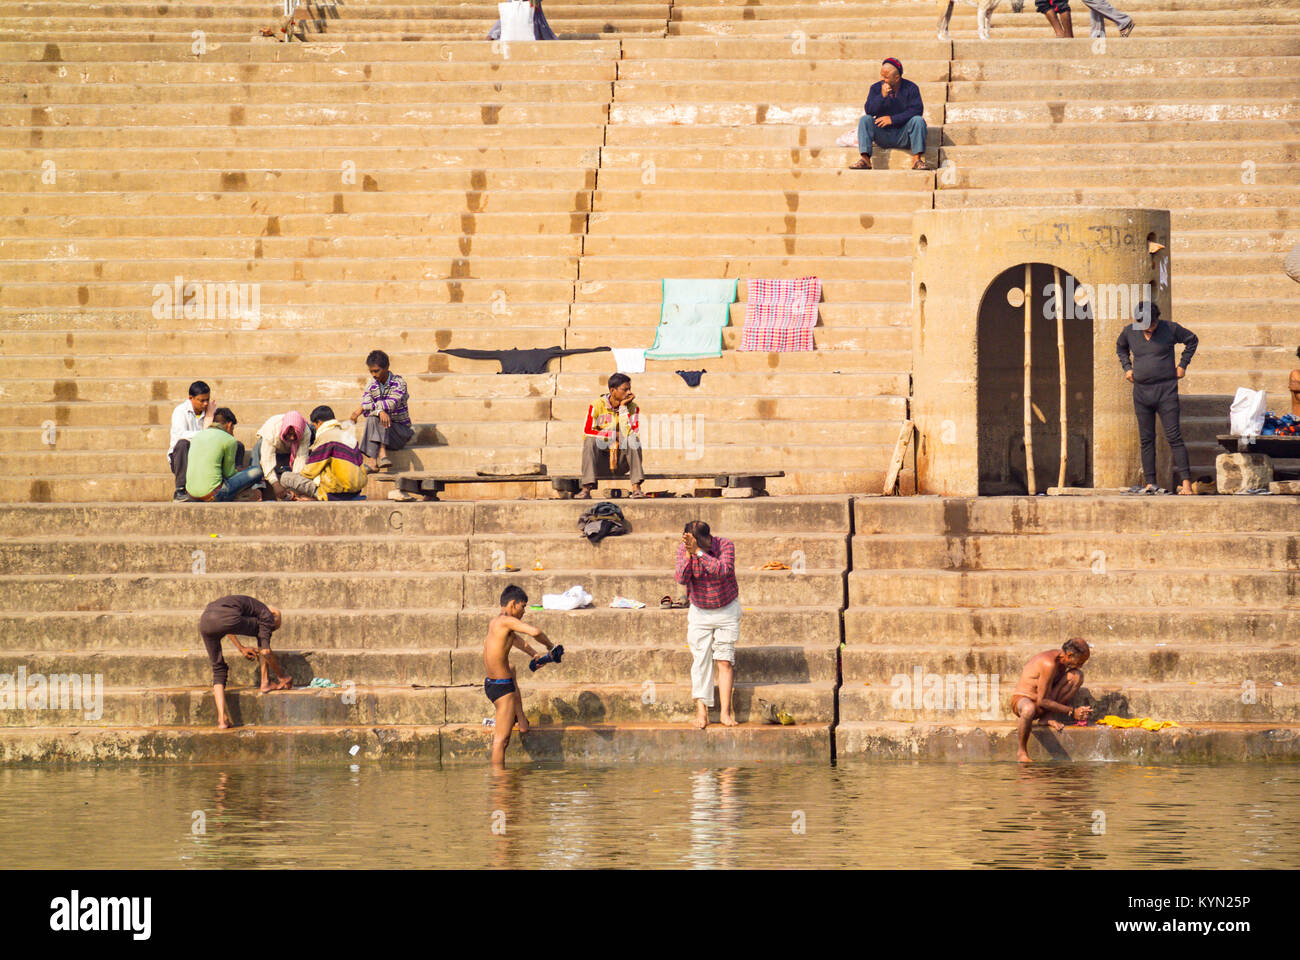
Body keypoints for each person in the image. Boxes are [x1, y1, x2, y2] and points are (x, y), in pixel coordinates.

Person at [1116, 300, 1198, 495]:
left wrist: (1183, 365)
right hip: (1141, 392)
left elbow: (1192, 340)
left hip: (1166, 391)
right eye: (1144, 326)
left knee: (1174, 436)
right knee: (1146, 439)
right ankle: (1150, 482)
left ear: (1156, 320)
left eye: (1151, 326)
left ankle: (1186, 484)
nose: (1148, 330)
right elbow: (1121, 348)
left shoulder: (1170, 328)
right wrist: (1127, 368)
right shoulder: (1130, 331)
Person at [674, 520, 740, 729]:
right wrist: (689, 554)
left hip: (726, 609)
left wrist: (700, 554)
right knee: (700, 661)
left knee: (724, 661)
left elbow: (723, 570)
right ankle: (701, 713)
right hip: (700, 611)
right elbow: (681, 578)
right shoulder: (683, 550)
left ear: (705, 539)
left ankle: (724, 713)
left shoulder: (725, 545)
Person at [483, 584, 556, 768]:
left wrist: (534, 655)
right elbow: (535, 632)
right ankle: (501, 788)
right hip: (502, 689)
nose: (524, 611)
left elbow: (517, 641)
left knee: (512, 667)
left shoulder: (496, 623)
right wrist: (549, 646)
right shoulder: (507, 621)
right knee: (502, 741)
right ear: (513, 604)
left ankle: (521, 720)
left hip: (492, 684)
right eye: (523, 606)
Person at [198, 594, 293, 729]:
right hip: (224, 619)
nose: (270, 630)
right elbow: (265, 651)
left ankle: (222, 719)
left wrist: (241, 648)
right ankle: (265, 682)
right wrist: (282, 676)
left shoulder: (243, 605)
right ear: (274, 615)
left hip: (205, 622)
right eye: (272, 627)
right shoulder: (267, 614)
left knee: (218, 669)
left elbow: (224, 625)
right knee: (261, 631)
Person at [1009, 639, 1093, 762]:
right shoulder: (1049, 663)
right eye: (1080, 661)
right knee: (1028, 709)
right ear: (1069, 655)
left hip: (1043, 702)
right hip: (1024, 700)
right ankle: (1022, 752)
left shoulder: (1062, 661)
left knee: (1076, 676)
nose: (1081, 665)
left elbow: (1046, 694)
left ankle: (1046, 717)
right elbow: (1042, 700)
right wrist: (1072, 711)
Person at [168, 380, 245, 501]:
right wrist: (206, 431)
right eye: (201, 400)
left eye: (207, 400)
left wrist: (212, 418)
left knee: (237, 445)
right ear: (191, 398)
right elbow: (181, 435)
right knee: (183, 444)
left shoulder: (211, 410)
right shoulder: (180, 411)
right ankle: (180, 489)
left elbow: (221, 434)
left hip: (206, 457)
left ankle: (230, 482)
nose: (205, 404)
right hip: (183, 458)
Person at [850, 58, 929, 171]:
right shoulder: (876, 88)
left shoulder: (911, 88)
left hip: (904, 135)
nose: (882, 79)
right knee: (865, 120)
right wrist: (881, 96)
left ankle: (917, 160)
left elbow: (917, 110)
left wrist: (892, 119)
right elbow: (869, 110)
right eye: (881, 75)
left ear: (897, 78)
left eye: (885, 77)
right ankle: (865, 160)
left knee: (918, 120)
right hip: (883, 134)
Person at [279, 406, 369, 501]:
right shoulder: (349, 436)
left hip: (333, 494)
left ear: (320, 423)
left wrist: (297, 478)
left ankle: (310, 497)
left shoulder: (325, 437)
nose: (316, 429)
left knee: (286, 477)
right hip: (355, 492)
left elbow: (309, 472)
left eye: (315, 426)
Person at [579, 373, 645, 499]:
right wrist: (613, 435)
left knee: (633, 440)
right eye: (625, 389)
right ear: (612, 390)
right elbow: (587, 431)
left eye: (630, 389)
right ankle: (586, 489)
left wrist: (623, 408)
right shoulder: (597, 405)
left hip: (622, 462)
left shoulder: (633, 407)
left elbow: (632, 432)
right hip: (600, 462)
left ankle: (636, 489)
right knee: (589, 441)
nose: (629, 392)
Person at [350, 349, 413, 471]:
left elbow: (390, 404)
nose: (373, 375)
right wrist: (378, 411)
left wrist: (361, 409)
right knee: (374, 417)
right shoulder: (371, 385)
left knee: (377, 416)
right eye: (371, 371)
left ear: (387, 367)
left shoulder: (399, 383)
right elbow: (367, 409)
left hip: (399, 433)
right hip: (382, 433)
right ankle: (378, 458)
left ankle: (377, 457)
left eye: (376, 371)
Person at [184, 408, 265, 502]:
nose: (233, 433)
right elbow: (229, 474)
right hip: (213, 494)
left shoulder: (197, 436)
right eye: (233, 429)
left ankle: (240, 495)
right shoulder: (229, 440)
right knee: (256, 471)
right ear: (229, 425)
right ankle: (241, 495)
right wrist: (241, 472)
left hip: (191, 494)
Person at [252, 410, 311, 500]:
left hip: (290, 452)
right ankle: (257, 487)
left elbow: (301, 459)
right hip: (275, 451)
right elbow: (267, 459)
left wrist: (294, 486)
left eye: (294, 435)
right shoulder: (272, 429)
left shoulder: (305, 431)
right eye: (290, 434)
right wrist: (275, 484)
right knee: (259, 445)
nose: (292, 437)